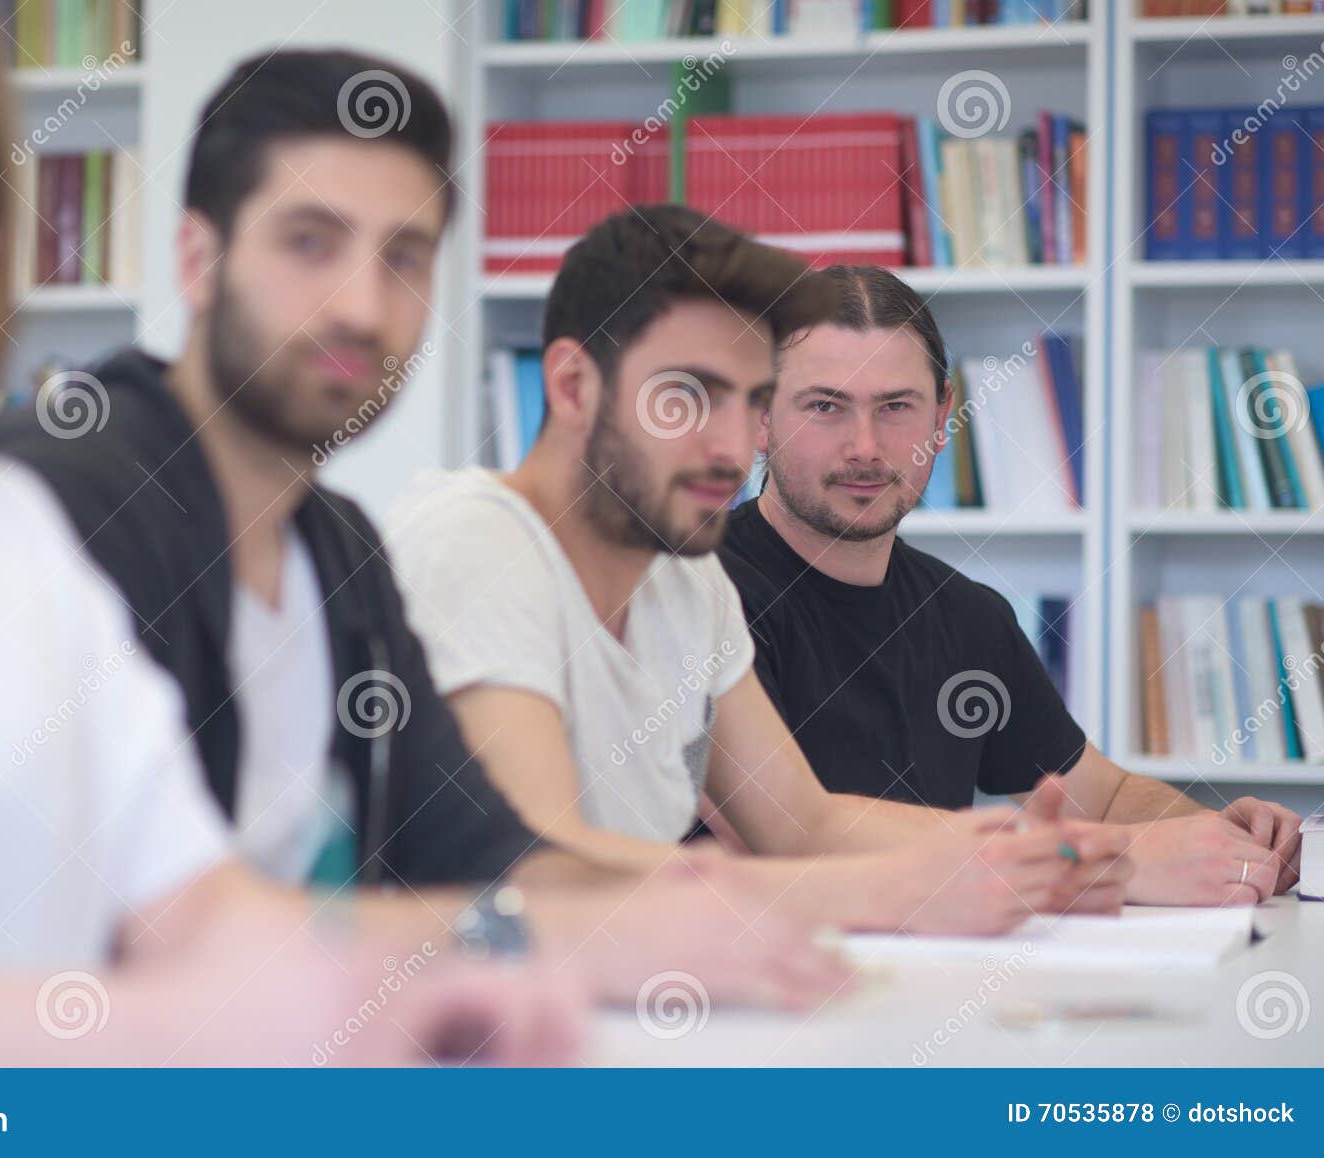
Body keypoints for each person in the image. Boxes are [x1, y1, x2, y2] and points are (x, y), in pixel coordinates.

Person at [0, 0, 581, 1065]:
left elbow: (199, 912)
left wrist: (411, 990)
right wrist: (167, 1025)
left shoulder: (10, 535)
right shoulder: (75, 489)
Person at [0, 48, 852, 1008]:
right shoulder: (54, 501)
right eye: (310, 241)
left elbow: (485, 855)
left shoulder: (342, 553)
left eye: (404, 257)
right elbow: (149, 932)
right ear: (197, 259)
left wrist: (697, 913)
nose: (361, 306)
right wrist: (566, 931)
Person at [385, 204, 1135, 936]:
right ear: (575, 386)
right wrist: (897, 888)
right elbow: (542, 864)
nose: (731, 445)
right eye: (690, 396)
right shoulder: (474, 540)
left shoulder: (688, 578)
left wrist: (1016, 855)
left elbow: (803, 822)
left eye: (751, 402)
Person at [717, 263, 1301, 907]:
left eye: (895, 407)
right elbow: (781, 832)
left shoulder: (969, 617)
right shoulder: (693, 595)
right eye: (826, 406)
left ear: (942, 415)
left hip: (933, 986)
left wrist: (1218, 839)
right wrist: (1115, 861)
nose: (866, 447)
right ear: (760, 414)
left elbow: (1101, 797)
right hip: (753, 994)